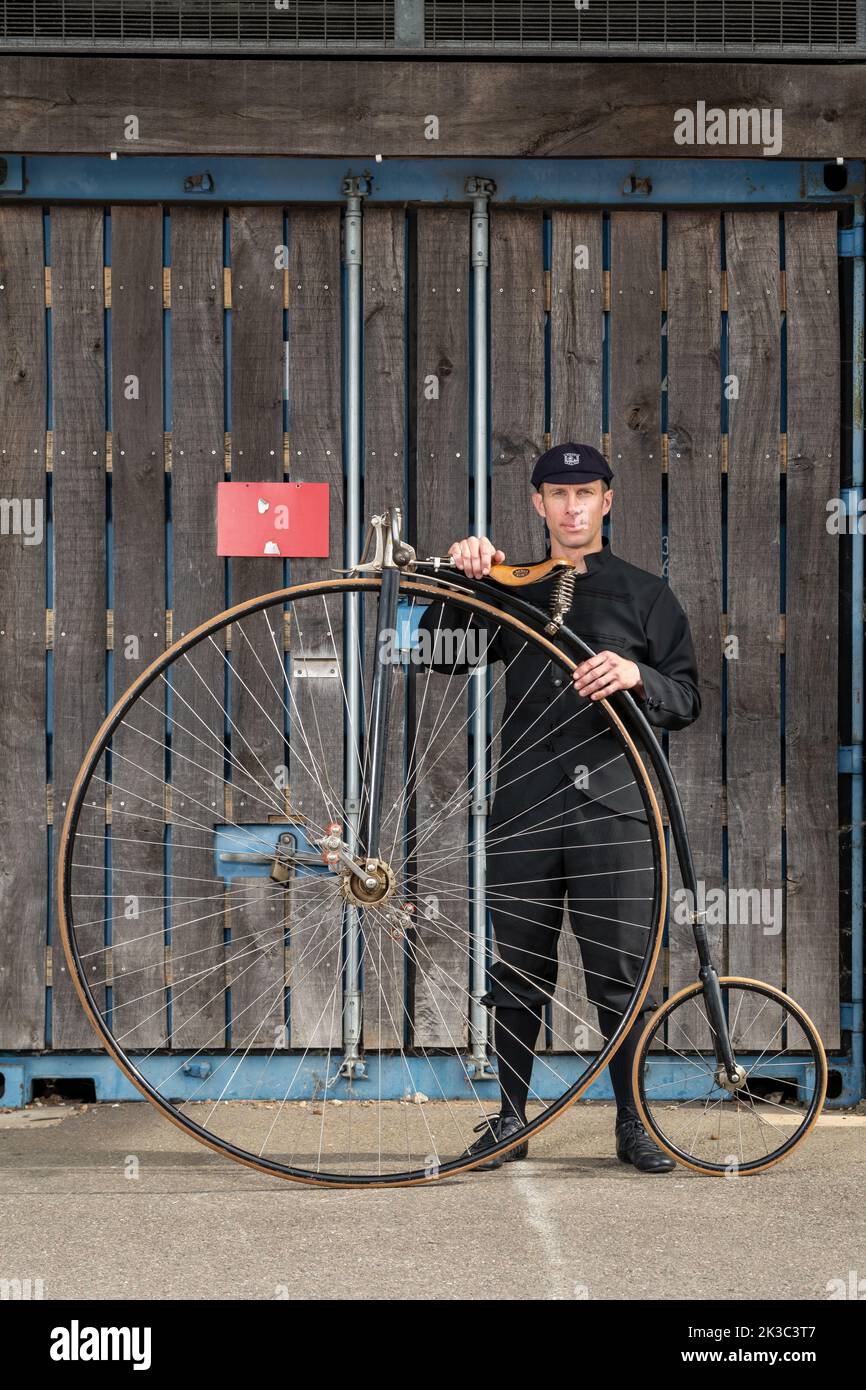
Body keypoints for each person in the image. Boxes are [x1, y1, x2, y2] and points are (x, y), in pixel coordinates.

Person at [415, 442, 701, 1173]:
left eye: (587, 493)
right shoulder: (510, 585)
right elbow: (435, 654)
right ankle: (511, 1119)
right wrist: (463, 576)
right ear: (538, 504)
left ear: (608, 500)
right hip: (527, 803)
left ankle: (634, 1126)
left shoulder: (647, 595)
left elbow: (689, 699)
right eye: (558, 495)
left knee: (621, 971)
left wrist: (637, 673)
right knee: (519, 967)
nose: (572, 507)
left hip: (616, 808)